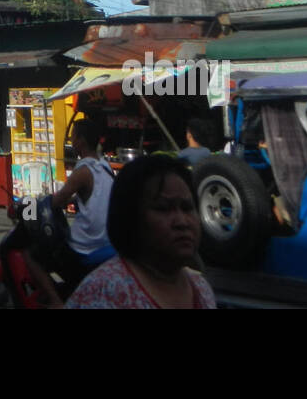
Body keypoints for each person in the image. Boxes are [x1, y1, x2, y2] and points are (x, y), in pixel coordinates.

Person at [66, 154, 216, 309]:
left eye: (187, 208)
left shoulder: (201, 288)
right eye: (163, 208)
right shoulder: (104, 292)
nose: (182, 222)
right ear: (131, 218)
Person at [25, 118, 116, 308]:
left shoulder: (83, 170)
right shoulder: (105, 167)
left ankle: (56, 301)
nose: (71, 142)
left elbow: (56, 202)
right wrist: (75, 199)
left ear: (81, 141)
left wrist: (32, 205)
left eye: (73, 137)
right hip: (107, 242)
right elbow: (93, 197)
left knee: (31, 255)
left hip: (85, 246)